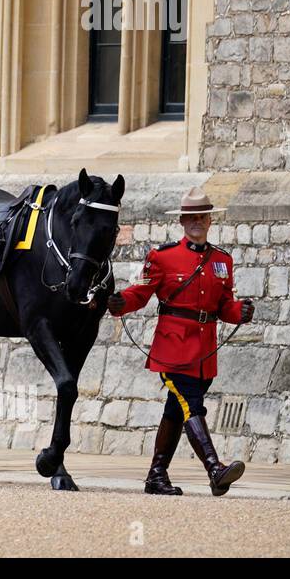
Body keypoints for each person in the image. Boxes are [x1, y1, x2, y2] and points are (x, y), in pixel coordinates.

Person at [108, 187, 255, 497]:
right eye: (191, 216)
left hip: (204, 352)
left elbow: (224, 304)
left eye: (202, 216)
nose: (196, 221)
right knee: (191, 405)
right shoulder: (162, 256)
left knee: (176, 411)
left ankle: (156, 476)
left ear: (210, 220)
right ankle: (215, 469)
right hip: (173, 348)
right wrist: (121, 301)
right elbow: (142, 292)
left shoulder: (222, 261)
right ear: (183, 221)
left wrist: (240, 311)